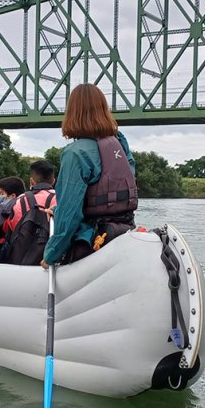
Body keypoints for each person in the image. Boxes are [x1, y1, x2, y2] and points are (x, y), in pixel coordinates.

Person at [41, 84, 137, 269]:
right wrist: (59, 210)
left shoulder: (75, 153)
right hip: (125, 233)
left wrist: (51, 254)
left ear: (72, 113)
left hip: (92, 241)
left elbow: (70, 214)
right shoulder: (120, 143)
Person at [0, 161, 58, 265]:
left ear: (31, 181)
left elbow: (13, 227)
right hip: (50, 258)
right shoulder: (60, 199)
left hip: (21, 256)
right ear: (53, 181)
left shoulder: (21, 199)